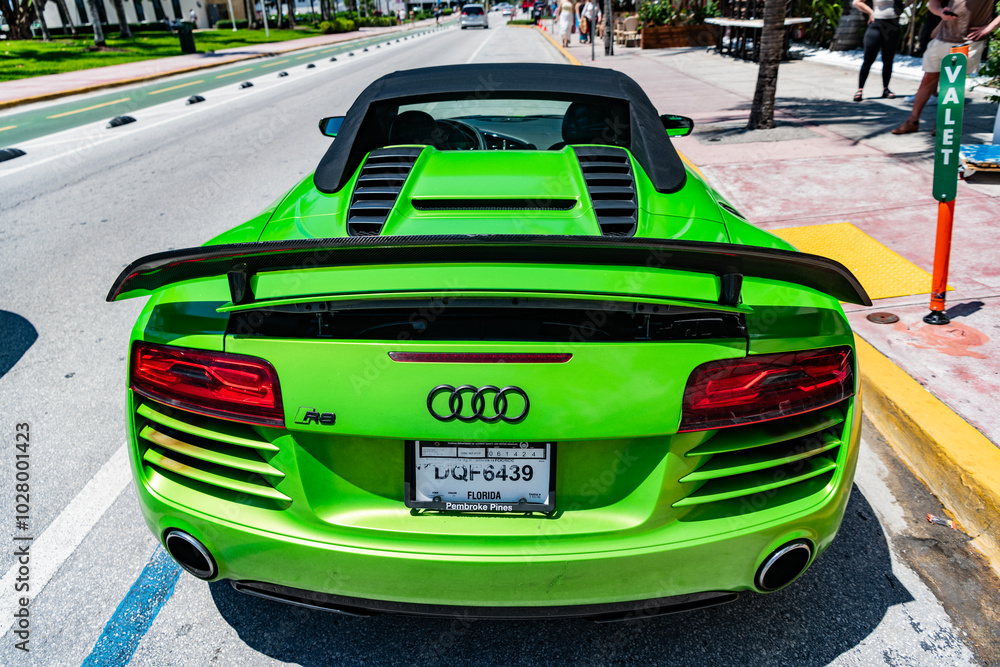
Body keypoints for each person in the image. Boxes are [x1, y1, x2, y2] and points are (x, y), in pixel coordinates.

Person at [892, 0, 1000, 134]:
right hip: (942, 37)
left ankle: (942, 125)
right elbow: (933, 4)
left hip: (969, 41)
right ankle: (912, 121)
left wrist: (990, 27)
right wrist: (940, 12)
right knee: (928, 79)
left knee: (953, 83)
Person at [852, 0, 904, 101]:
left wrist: (903, 6)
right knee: (868, 59)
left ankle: (886, 89)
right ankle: (860, 89)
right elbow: (856, 2)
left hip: (893, 25)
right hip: (877, 24)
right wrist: (871, 12)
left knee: (888, 59)